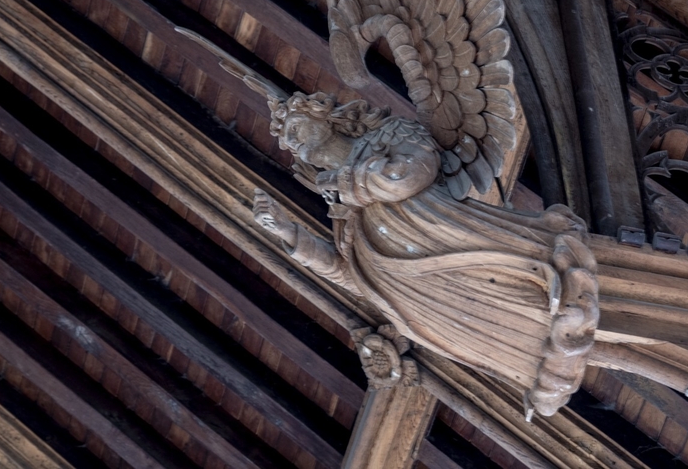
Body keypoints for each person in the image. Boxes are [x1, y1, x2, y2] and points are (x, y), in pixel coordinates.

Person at [252, 91, 599, 417]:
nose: (291, 143)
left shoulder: (387, 135)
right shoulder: (342, 211)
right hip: (431, 300)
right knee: (526, 331)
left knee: (546, 296)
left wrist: (347, 183)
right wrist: (289, 233)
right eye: (286, 142)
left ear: (325, 117)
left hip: (454, 244)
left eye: (295, 129)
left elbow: (413, 173)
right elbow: (352, 276)